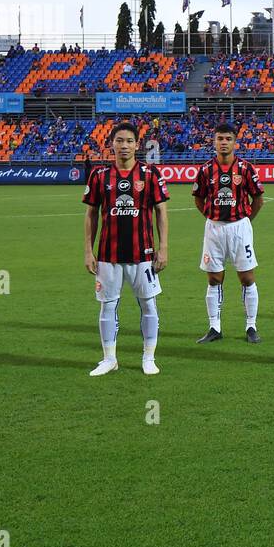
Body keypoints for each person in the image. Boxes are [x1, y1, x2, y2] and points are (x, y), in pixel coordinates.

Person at [84, 122, 170, 377]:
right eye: (119, 140)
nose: (124, 145)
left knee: (149, 305)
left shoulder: (150, 174)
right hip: (108, 255)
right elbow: (91, 215)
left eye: (129, 141)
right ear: (112, 144)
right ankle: (109, 358)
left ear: (137, 144)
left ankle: (149, 357)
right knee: (107, 306)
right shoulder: (99, 176)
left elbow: (161, 212)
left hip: (143, 254)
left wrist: (163, 247)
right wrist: (88, 251)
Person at [193, 122, 264, 345]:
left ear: (235, 142)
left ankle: (251, 326)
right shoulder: (205, 170)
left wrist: (245, 220)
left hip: (240, 227)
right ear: (214, 141)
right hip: (214, 227)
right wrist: (210, 215)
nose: (224, 143)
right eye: (220, 138)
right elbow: (198, 198)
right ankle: (214, 326)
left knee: (247, 277)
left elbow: (258, 199)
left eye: (228, 139)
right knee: (214, 278)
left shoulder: (246, 169)